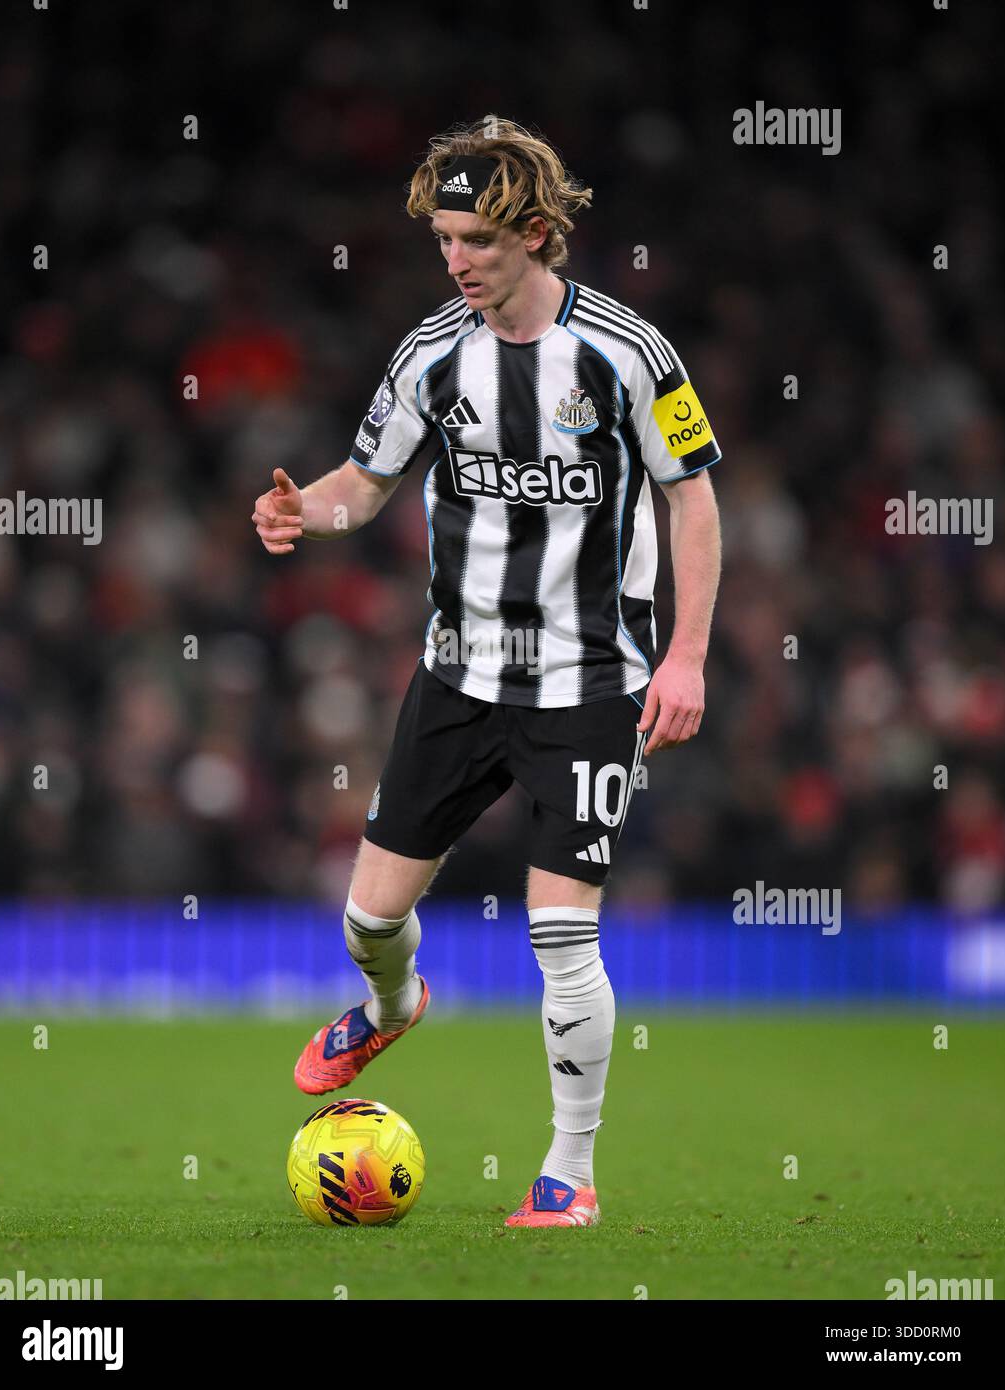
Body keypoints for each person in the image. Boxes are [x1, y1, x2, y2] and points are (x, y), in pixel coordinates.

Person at [252, 117, 722, 1228]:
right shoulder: (431, 354)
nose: (455, 259)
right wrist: (296, 512)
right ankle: (393, 1000)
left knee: (560, 935)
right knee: (368, 919)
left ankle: (569, 1174)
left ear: (540, 235)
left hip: (590, 682)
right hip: (458, 678)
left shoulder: (626, 351)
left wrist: (687, 654)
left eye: (476, 240)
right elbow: (361, 486)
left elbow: (691, 493)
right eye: (444, 239)